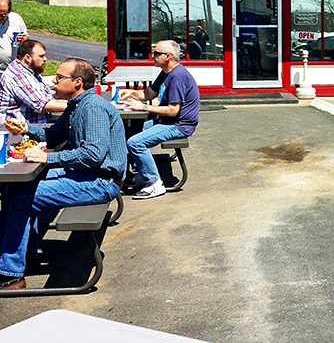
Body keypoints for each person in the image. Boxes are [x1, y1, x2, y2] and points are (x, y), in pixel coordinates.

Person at [0, 58, 127, 291]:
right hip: (86, 175)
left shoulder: (93, 108)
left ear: (77, 82)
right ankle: (23, 258)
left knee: (19, 199)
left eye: (59, 78)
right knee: (15, 189)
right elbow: (53, 137)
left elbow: (92, 155)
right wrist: (27, 129)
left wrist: (48, 158)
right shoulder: (77, 105)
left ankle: (11, 275)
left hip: (101, 182)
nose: (53, 82)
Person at [120, 40, 199, 200]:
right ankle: (143, 174)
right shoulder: (166, 72)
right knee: (132, 132)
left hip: (179, 125)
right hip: (168, 121)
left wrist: (142, 108)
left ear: (168, 57)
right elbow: (149, 94)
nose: (152, 56)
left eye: (156, 53)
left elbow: (172, 111)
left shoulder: (177, 78)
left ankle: (154, 183)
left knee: (135, 143)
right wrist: (130, 93)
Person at [0, 39, 67, 123]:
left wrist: (63, 93)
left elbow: (41, 93)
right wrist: (74, 106)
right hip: (16, 131)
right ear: (28, 58)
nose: (45, 59)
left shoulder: (30, 70)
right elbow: (41, 105)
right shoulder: (19, 76)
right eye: (41, 56)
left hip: (30, 127)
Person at [0, 0, 28, 74]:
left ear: (9, 11)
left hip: (13, 70)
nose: (0, 18)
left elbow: (26, 38)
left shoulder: (16, 19)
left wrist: (22, 39)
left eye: (3, 15)